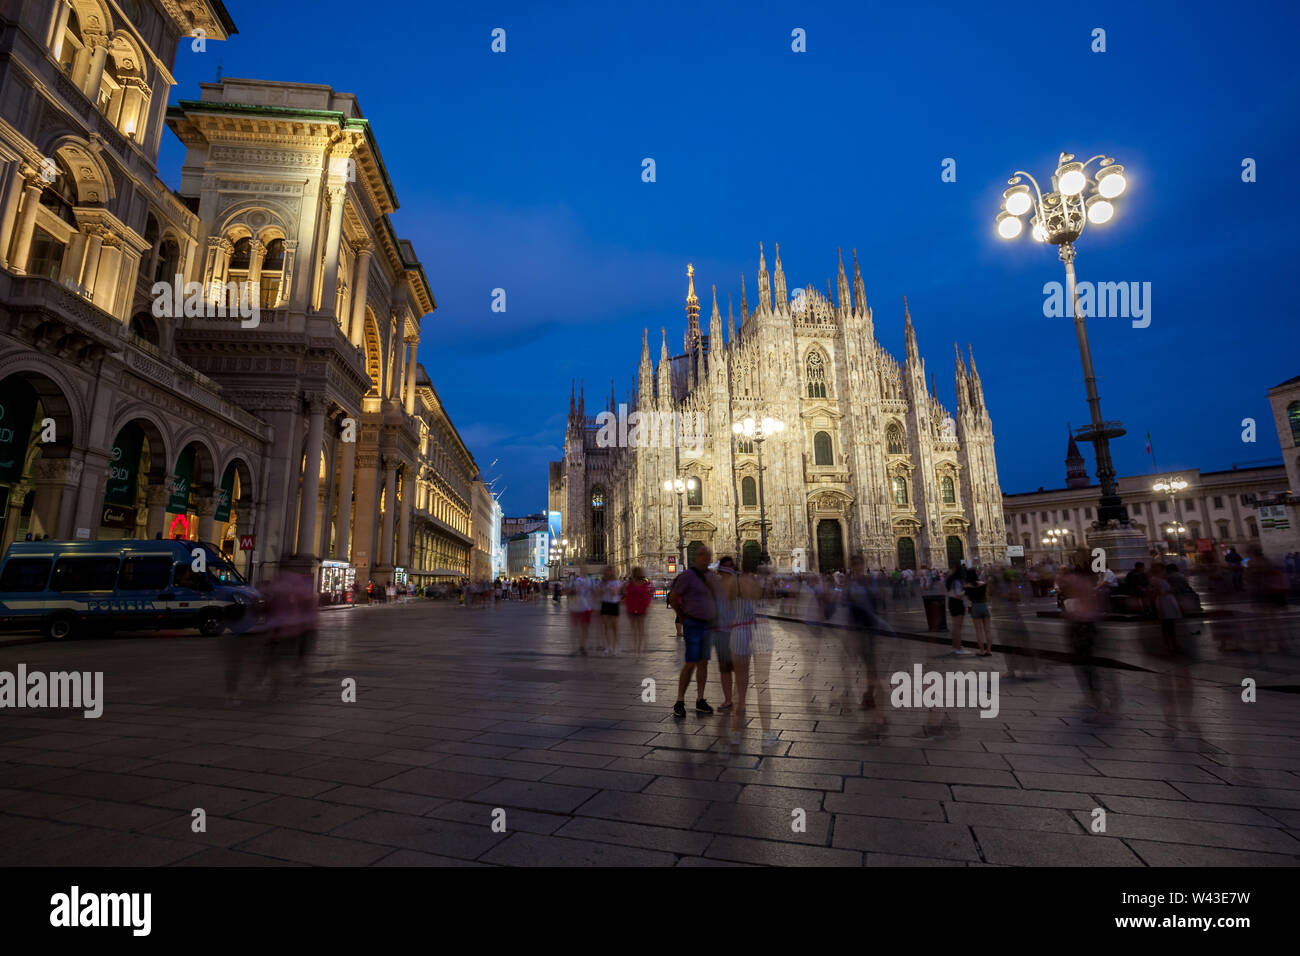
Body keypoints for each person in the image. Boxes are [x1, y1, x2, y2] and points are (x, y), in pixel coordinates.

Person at [668, 545, 718, 718]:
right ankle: (679, 700)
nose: (705, 558)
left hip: (707, 625)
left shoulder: (712, 576)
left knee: (703, 662)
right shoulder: (688, 576)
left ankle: (700, 699)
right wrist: (682, 617)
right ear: (696, 557)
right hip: (693, 624)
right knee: (691, 662)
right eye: (702, 555)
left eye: (708, 555)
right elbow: (673, 597)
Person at [712, 556, 738, 714]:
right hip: (727, 631)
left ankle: (732, 699)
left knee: (728, 668)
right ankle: (732, 699)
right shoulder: (716, 584)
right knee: (728, 668)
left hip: (730, 630)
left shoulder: (738, 584)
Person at [624, 567, 652, 655]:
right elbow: (646, 597)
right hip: (637, 608)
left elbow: (628, 596)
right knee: (639, 629)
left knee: (638, 629)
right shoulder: (642, 584)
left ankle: (638, 647)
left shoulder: (632, 584)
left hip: (637, 608)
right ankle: (638, 647)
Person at [965, 567, 993, 656]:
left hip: (975, 607)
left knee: (979, 631)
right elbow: (987, 594)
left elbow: (968, 598)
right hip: (984, 606)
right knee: (987, 630)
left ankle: (981, 651)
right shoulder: (983, 584)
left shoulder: (967, 586)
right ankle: (988, 651)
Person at [568, 563, 593, 655]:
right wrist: (573, 589)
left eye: (585, 569)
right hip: (576, 606)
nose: (584, 570)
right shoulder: (577, 580)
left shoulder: (590, 580)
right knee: (575, 628)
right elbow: (571, 591)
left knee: (584, 628)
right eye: (582, 569)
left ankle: (583, 646)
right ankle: (574, 648)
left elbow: (593, 591)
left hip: (586, 607)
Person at [945, 566, 970, 655]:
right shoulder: (957, 581)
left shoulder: (950, 580)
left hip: (951, 602)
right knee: (958, 627)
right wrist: (966, 589)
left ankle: (954, 647)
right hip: (957, 603)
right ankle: (958, 648)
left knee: (956, 627)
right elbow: (959, 594)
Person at [598, 565, 622, 655]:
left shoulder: (616, 582)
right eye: (606, 571)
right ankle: (608, 646)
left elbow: (616, 593)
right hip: (605, 603)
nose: (607, 573)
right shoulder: (602, 581)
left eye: (609, 571)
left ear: (612, 572)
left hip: (614, 604)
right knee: (606, 626)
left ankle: (616, 646)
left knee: (614, 627)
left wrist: (610, 588)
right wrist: (602, 587)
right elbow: (599, 592)